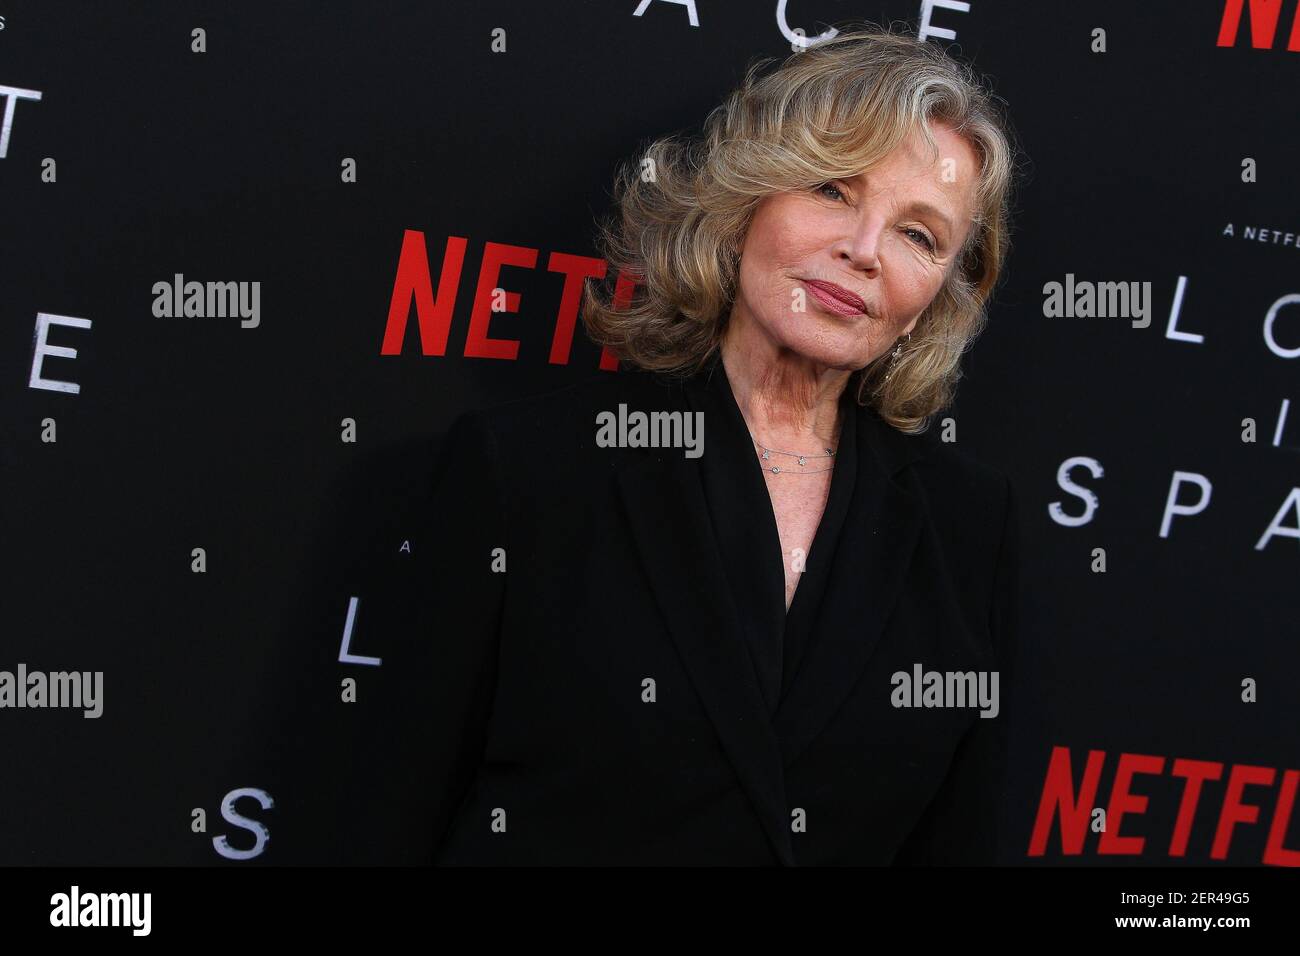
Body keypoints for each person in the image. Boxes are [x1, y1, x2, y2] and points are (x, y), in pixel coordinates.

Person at [399, 23, 1023, 865]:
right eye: (832, 190)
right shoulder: (528, 472)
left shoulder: (971, 529)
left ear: (940, 294)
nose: (864, 250)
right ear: (744, 202)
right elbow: (385, 816)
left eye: (919, 234)